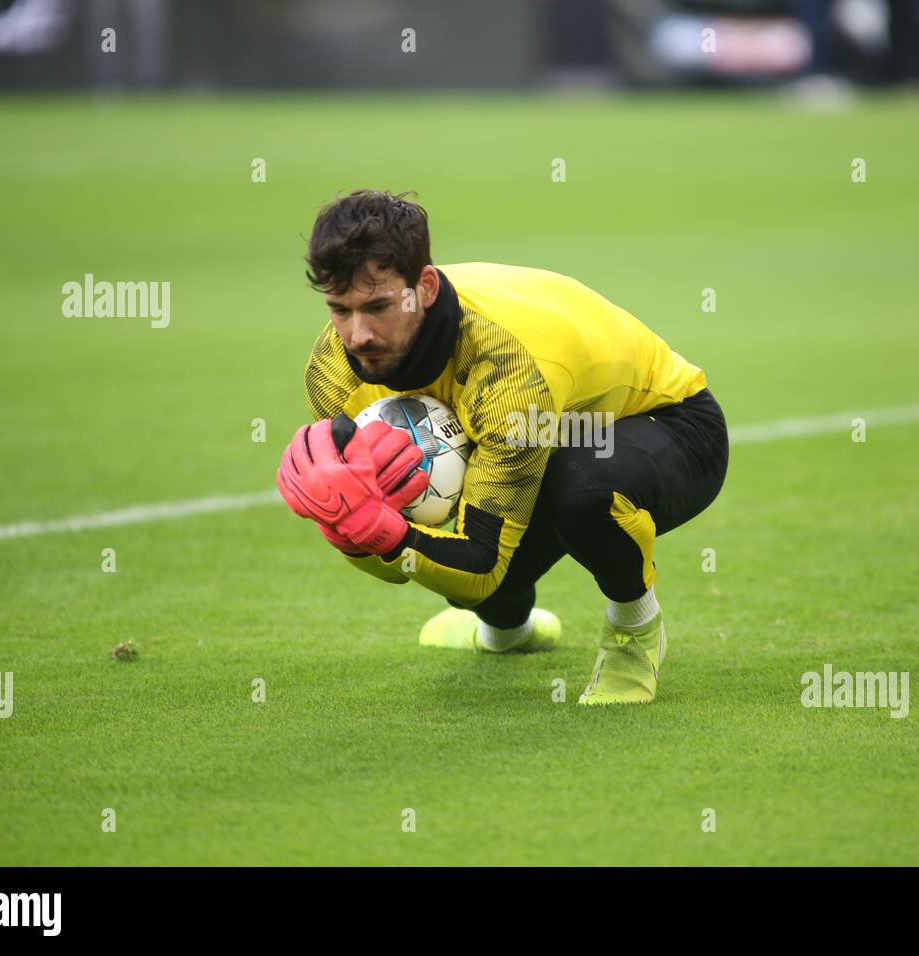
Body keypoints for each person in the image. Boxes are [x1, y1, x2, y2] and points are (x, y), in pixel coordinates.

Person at [275, 189, 728, 705]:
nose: (358, 334)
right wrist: (347, 527)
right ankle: (508, 632)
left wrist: (387, 537)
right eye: (340, 309)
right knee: (450, 543)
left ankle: (634, 632)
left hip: (669, 424)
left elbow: (480, 565)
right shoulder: (333, 371)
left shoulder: (506, 372)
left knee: (581, 493)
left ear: (424, 287)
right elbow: (380, 512)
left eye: (378, 307)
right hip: (545, 429)